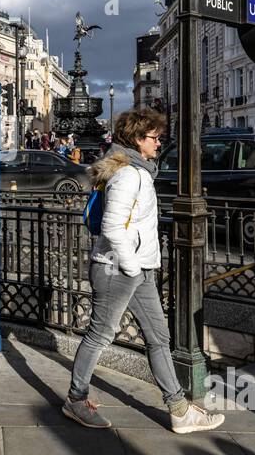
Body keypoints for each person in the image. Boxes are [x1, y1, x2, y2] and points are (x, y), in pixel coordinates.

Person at [63, 108, 224, 435]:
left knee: (158, 337)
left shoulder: (136, 171)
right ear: (137, 139)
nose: (158, 142)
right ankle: (76, 399)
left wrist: (141, 267)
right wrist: (133, 265)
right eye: (154, 137)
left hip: (138, 270)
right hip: (118, 270)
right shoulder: (129, 175)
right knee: (101, 334)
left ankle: (179, 409)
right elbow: (111, 226)